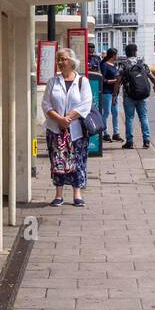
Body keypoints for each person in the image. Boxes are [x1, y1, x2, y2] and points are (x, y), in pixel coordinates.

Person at [41, 47, 93, 207]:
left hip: (76, 130)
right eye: (58, 60)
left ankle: (77, 194)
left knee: (77, 160)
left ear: (72, 61)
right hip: (55, 129)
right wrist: (59, 119)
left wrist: (68, 118)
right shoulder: (52, 81)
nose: (60, 63)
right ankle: (58, 194)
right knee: (57, 161)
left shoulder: (82, 81)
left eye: (63, 59)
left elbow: (86, 104)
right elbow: (45, 103)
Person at [116, 42, 155, 149]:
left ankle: (129, 142)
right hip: (142, 95)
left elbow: (118, 82)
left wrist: (114, 96)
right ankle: (146, 140)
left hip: (128, 96)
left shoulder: (123, 65)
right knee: (143, 117)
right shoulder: (142, 64)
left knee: (129, 118)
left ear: (126, 53)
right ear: (136, 52)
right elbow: (152, 77)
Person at [98, 47, 123, 143]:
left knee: (116, 113)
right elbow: (102, 79)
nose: (117, 56)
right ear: (113, 55)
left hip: (114, 93)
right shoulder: (104, 65)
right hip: (106, 92)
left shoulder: (114, 65)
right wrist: (114, 81)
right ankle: (105, 133)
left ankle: (116, 133)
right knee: (107, 112)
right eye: (116, 54)